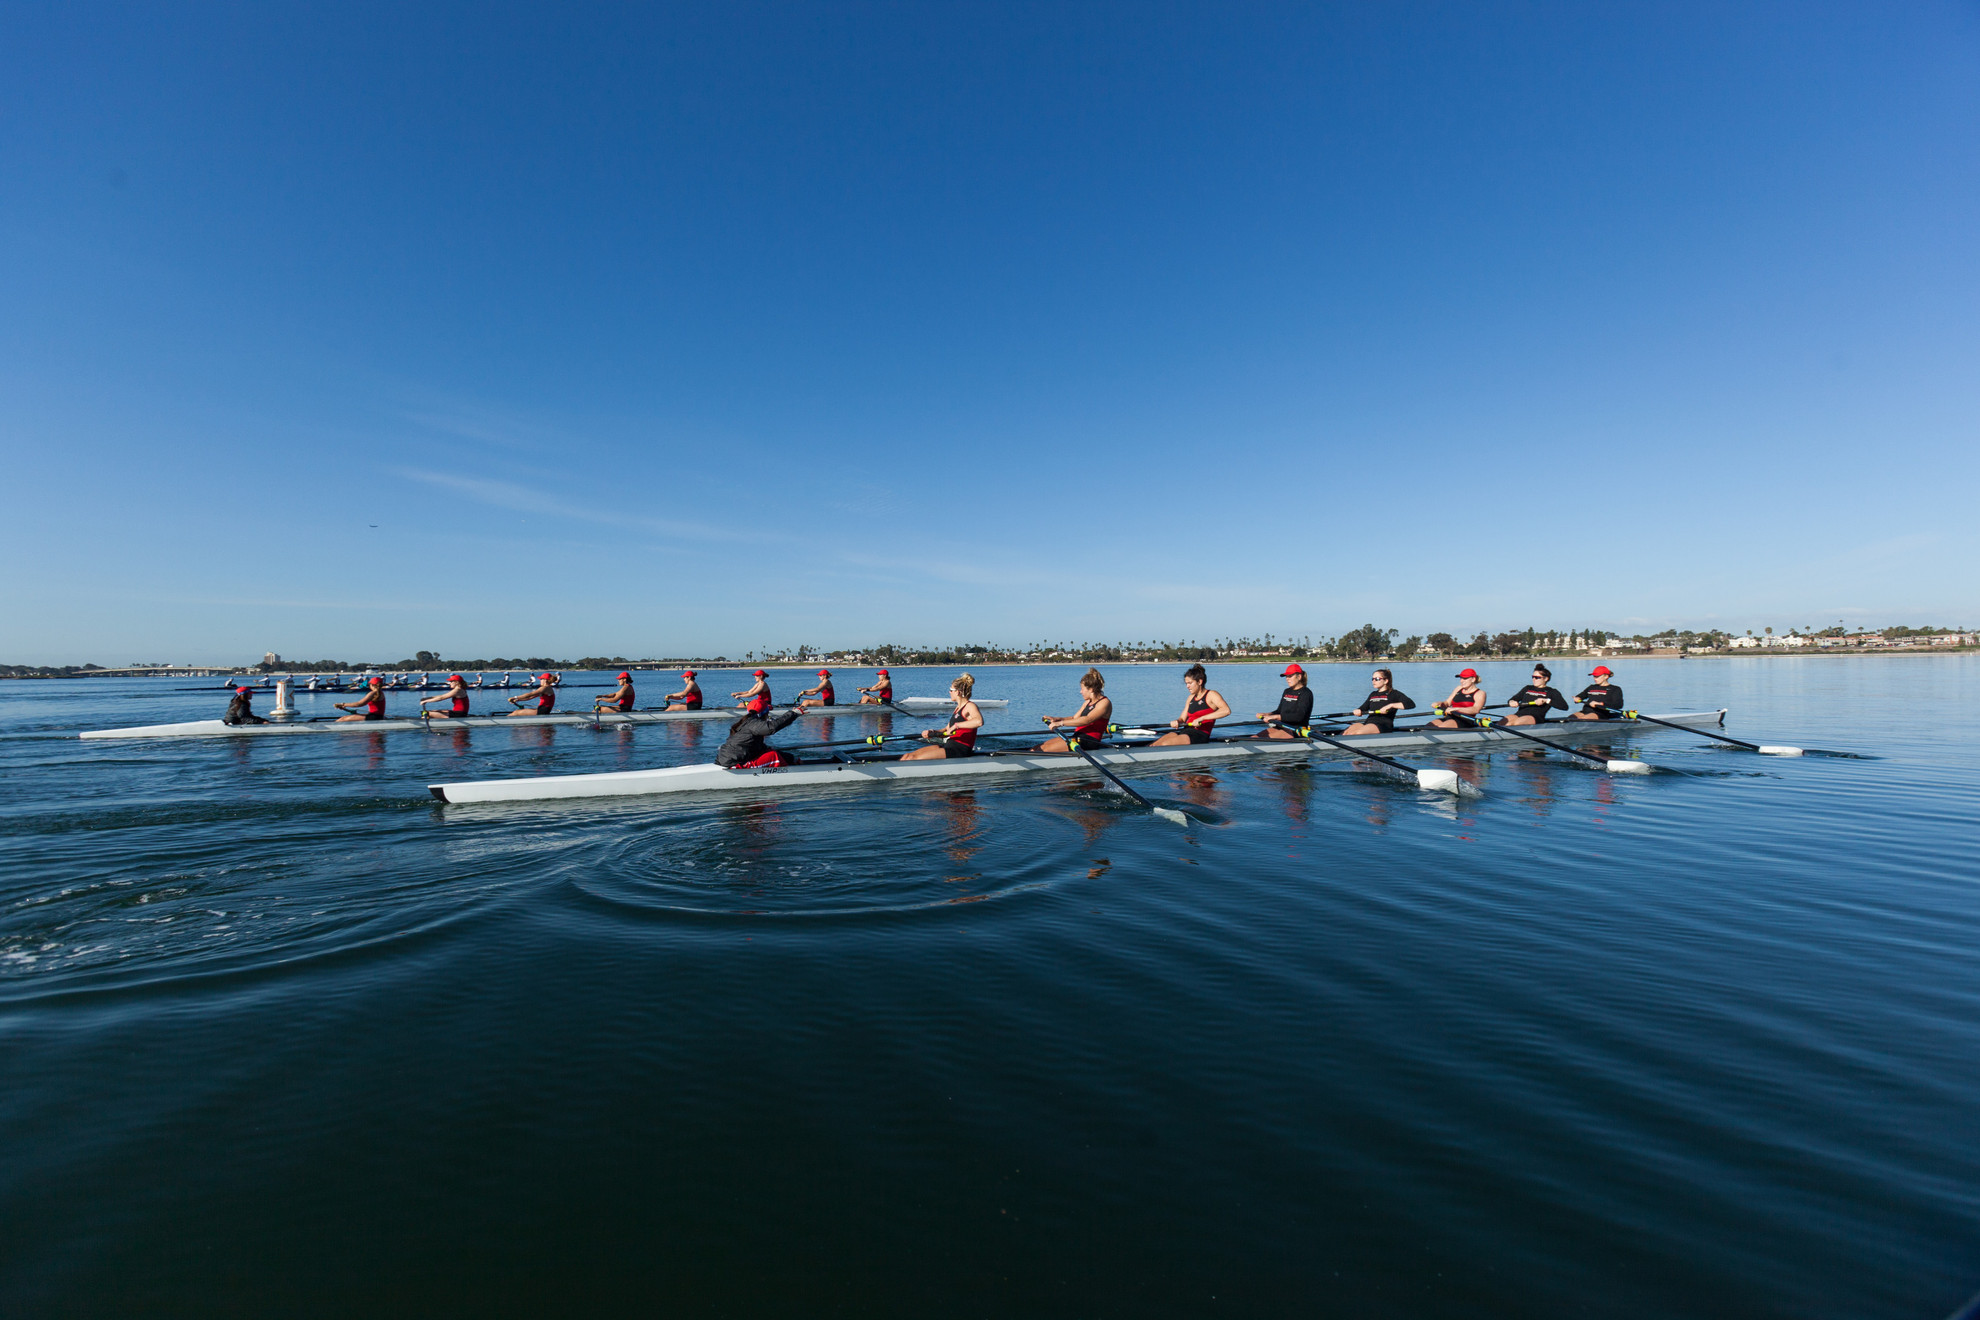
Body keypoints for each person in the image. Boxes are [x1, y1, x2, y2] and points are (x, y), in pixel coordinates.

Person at [901, 674, 983, 760]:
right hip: (949, 745)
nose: (949, 692)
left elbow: (979, 722)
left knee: (913, 758)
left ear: (958, 692)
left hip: (960, 749)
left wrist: (956, 726)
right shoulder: (957, 708)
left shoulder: (970, 706)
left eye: (951, 690)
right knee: (907, 756)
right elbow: (946, 730)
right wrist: (933, 732)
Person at [1150, 663, 1230, 746]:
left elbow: (1226, 710)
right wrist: (1177, 721)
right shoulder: (1190, 698)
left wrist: (1202, 718)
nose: (1187, 686)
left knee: (1165, 744)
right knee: (1153, 745)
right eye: (1186, 683)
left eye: (1190, 683)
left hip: (1199, 735)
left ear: (1199, 681)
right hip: (1185, 731)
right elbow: (1182, 719)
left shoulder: (1211, 695)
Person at [1038, 668, 1112, 752]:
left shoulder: (1104, 703)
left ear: (1091, 689)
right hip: (1077, 737)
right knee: (1038, 747)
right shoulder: (1088, 702)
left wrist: (1060, 723)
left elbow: (1088, 720)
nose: (1080, 692)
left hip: (1089, 741)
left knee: (1044, 749)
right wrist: (1057, 719)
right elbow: (1074, 718)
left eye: (1082, 689)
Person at [715, 702, 804, 769]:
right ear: (764, 713)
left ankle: (792, 762)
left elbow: (760, 749)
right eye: (768, 712)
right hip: (735, 763)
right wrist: (793, 714)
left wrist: (791, 758)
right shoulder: (754, 724)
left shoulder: (745, 723)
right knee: (774, 756)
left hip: (724, 759)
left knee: (770, 751)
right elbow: (772, 727)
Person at [1341, 669, 1416, 735]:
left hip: (1383, 725)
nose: (1373, 681)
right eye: (1372, 679)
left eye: (1377, 679)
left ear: (1386, 681)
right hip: (1368, 723)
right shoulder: (1373, 694)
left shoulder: (1394, 693)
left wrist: (1391, 705)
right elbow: (1364, 708)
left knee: (1356, 733)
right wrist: (1358, 710)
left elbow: (1411, 704)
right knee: (1346, 733)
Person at [1254, 662, 1314, 739]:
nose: (1287, 679)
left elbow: (1299, 716)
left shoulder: (1306, 693)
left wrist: (1276, 717)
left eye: (1290, 676)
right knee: (1254, 737)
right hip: (1281, 726)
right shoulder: (1287, 691)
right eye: (1286, 676)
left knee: (1259, 740)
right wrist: (1267, 714)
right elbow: (1279, 711)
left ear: (1299, 677)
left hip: (1296, 730)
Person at [1505, 664, 1569, 725]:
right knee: (1504, 721)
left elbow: (1564, 707)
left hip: (1534, 717)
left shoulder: (1552, 691)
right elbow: (1513, 699)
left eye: (1537, 677)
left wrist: (1546, 700)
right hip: (1518, 714)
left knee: (1516, 723)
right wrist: (1512, 701)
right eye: (1533, 677)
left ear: (1546, 679)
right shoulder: (1527, 688)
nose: (1534, 679)